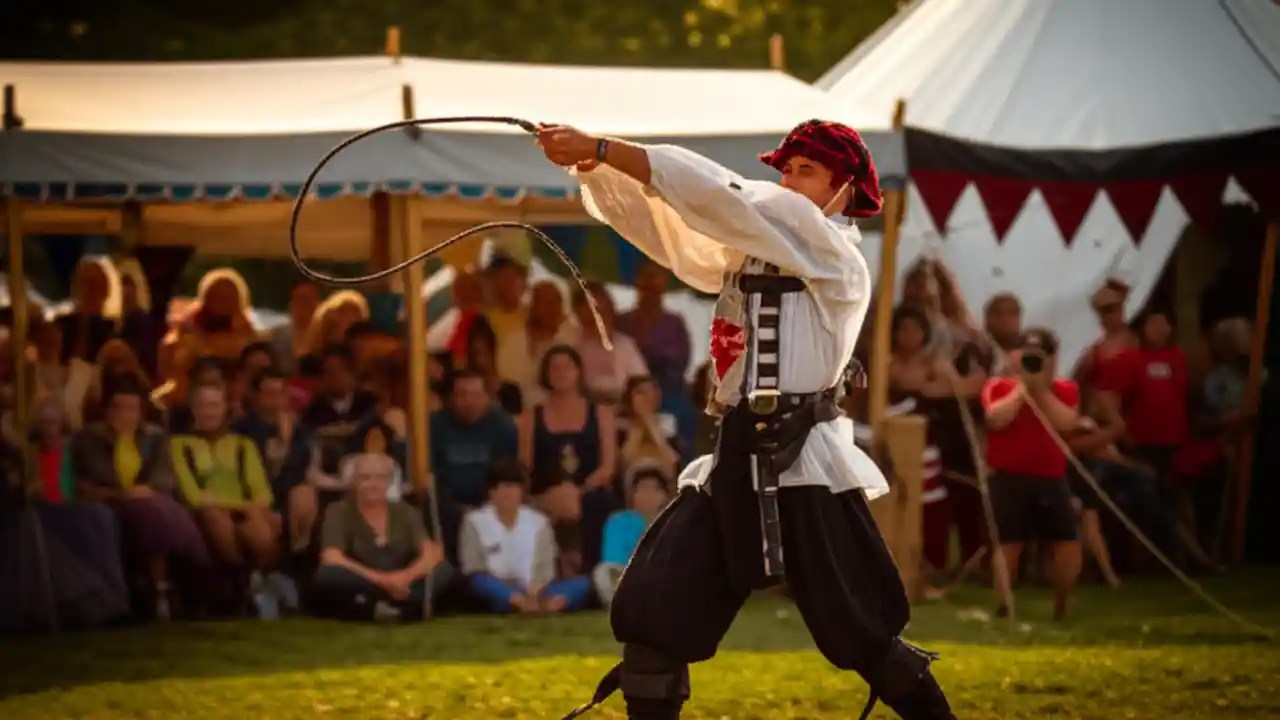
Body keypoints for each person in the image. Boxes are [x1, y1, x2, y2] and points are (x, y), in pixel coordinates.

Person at [537, 119, 952, 718]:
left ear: (846, 188)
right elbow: (684, 228)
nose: (789, 182)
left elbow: (722, 194)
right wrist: (601, 169)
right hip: (736, 454)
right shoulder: (754, 245)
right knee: (655, 616)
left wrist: (606, 148)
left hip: (804, 462)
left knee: (864, 632)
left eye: (807, 171)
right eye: (786, 170)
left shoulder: (832, 252)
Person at [72, 377, 210, 620]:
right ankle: (160, 590)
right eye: (118, 408)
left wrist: (146, 489)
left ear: (141, 412)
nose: (124, 415)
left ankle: (163, 589)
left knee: (156, 509)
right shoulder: (91, 438)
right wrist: (125, 488)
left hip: (149, 499)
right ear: (107, 410)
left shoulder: (154, 437)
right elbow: (97, 479)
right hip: (111, 502)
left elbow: (164, 478)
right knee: (151, 512)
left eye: (131, 409)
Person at [980, 328, 1082, 621]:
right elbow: (995, 419)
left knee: (1066, 543)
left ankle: (1061, 608)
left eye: (1041, 355)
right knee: (1009, 544)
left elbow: (1067, 423)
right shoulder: (997, 386)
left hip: (1051, 478)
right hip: (1008, 478)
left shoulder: (1066, 389)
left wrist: (1040, 391)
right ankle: (1004, 607)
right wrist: (1022, 388)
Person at [311, 452, 452, 622]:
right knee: (328, 575)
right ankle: (402, 608)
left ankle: (391, 607)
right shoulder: (338, 511)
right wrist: (382, 580)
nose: (373, 484)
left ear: (389, 482)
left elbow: (431, 552)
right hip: (364, 580)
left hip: (403, 578)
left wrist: (405, 577)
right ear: (354, 481)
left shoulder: (406, 511)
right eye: (365, 478)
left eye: (380, 478)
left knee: (444, 570)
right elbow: (331, 557)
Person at [518, 345, 618, 571]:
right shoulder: (530, 417)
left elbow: (608, 467)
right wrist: (542, 498)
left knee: (593, 503)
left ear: (579, 372)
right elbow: (524, 467)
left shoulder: (601, 413)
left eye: (567, 367)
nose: (561, 373)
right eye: (554, 368)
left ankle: (590, 572)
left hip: (590, 490)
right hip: (545, 493)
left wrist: (578, 492)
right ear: (545, 374)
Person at [170, 381, 280, 573]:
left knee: (258, 525)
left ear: (224, 409)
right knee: (216, 518)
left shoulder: (244, 445)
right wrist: (232, 507)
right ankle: (240, 576)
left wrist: (245, 507)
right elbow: (191, 493)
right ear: (193, 410)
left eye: (213, 406)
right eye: (202, 406)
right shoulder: (178, 445)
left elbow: (262, 492)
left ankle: (263, 576)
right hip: (206, 511)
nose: (208, 412)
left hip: (243, 510)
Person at [458, 458, 592, 614]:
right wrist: (505, 587)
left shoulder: (539, 522)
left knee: (582, 584)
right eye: (501, 487)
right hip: (495, 587)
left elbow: (547, 567)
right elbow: (472, 568)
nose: (507, 493)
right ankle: (518, 603)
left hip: (534, 589)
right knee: (480, 582)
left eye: (513, 487)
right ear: (491, 492)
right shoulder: (474, 521)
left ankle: (548, 605)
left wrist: (536, 587)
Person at [430, 369, 519, 550]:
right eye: (462, 395)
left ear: (488, 397)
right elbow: (431, 475)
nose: (469, 402)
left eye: (476, 395)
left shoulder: (503, 426)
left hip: (491, 506)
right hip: (446, 511)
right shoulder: (434, 425)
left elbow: (507, 474)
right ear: (450, 398)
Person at [233, 368, 314, 555]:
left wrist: (286, 441)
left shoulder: (297, 430)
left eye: (281, 394)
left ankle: (300, 555)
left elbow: (298, 470)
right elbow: (247, 473)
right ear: (256, 396)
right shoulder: (240, 430)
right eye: (270, 394)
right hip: (251, 498)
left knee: (304, 494)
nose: (277, 401)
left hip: (285, 494)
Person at [617, 260, 696, 452]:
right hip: (630, 397)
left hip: (669, 394)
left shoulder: (674, 323)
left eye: (655, 278)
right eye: (646, 277)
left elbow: (682, 361)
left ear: (664, 284)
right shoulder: (623, 321)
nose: (650, 284)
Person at [594, 464, 673, 608]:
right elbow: (613, 560)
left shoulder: (673, 522)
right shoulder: (618, 521)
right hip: (627, 578)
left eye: (654, 489)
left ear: (665, 495)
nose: (648, 495)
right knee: (602, 572)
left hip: (663, 579)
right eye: (642, 489)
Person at [497, 280, 575, 407]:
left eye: (552, 303)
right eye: (541, 302)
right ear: (531, 306)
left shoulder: (571, 337)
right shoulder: (513, 340)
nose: (548, 309)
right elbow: (508, 377)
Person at [572, 282, 650, 406]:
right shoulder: (572, 344)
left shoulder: (625, 344)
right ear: (578, 312)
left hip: (624, 408)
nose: (601, 316)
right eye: (595, 310)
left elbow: (642, 383)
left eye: (606, 310)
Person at [268, 280, 321, 375]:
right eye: (297, 299)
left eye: (306, 299)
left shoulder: (324, 335)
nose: (302, 304)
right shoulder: (277, 336)